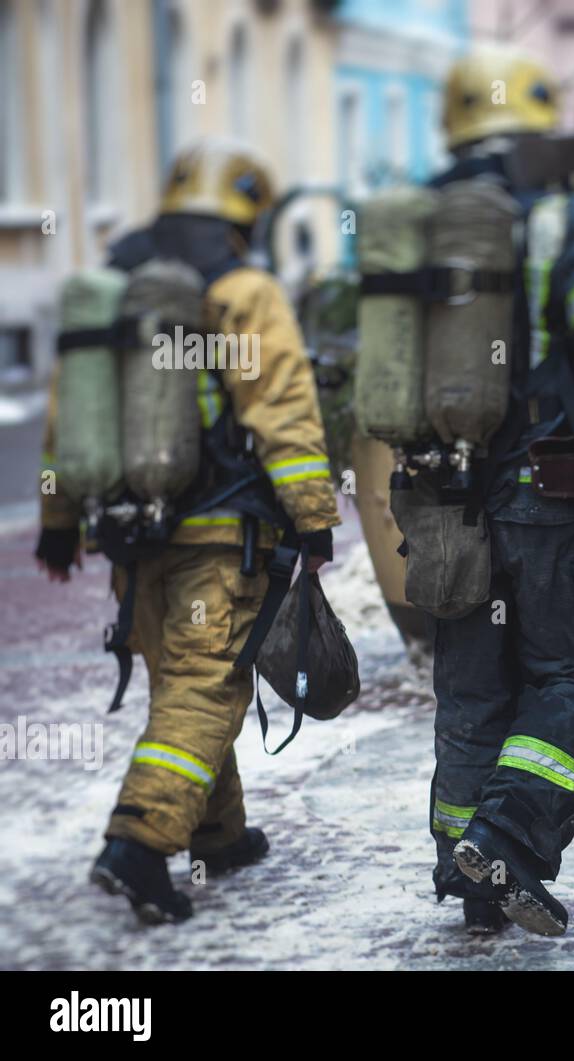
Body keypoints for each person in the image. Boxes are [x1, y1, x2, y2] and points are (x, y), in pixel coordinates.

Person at [36, 140, 340, 924]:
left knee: (182, 680)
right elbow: (280, 405)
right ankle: (138, 843)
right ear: (243, 214)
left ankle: (220, 834)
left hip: (134, 536)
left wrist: (59, 521)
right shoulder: (243, 289)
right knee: (208, 684)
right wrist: (311, 517)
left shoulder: (119, 288)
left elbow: (70, 411)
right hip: (220, 533)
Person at [418, 46, 574, 937]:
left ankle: (470, 870)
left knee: (475, 691)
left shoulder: (419, 222)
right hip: (549, 496)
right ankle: (508, 836)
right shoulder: (562, 219)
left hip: (444, 504)